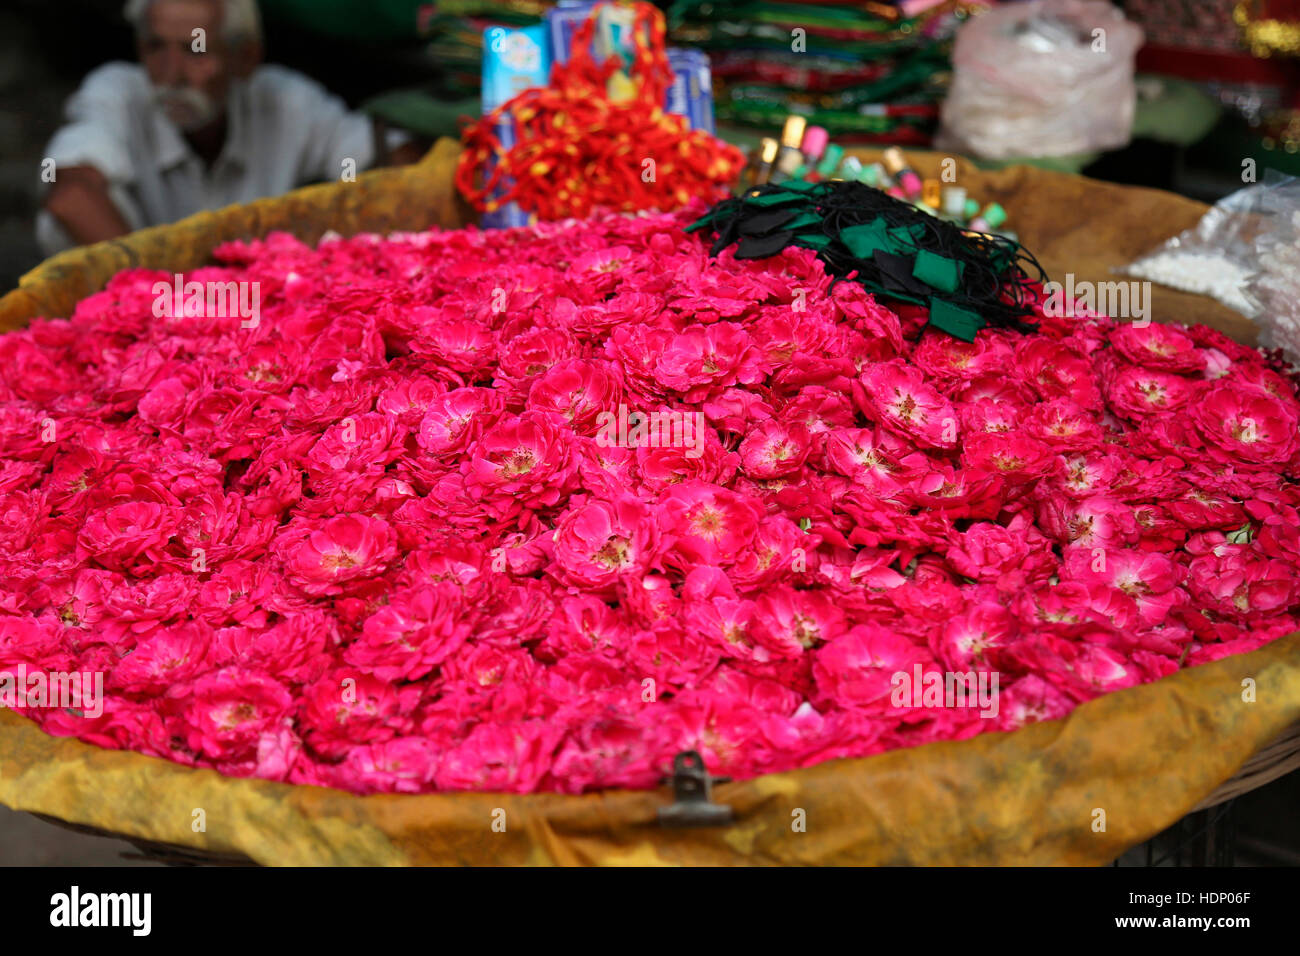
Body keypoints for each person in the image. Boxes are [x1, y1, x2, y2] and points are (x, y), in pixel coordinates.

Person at [38, 0, 422, 255]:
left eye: (195, 50)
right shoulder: (118, 93)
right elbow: (70, 198)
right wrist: (162, 298)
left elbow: (392, 158)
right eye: (156, 48)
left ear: (245, 58)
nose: (172, 75)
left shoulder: (283, 101)